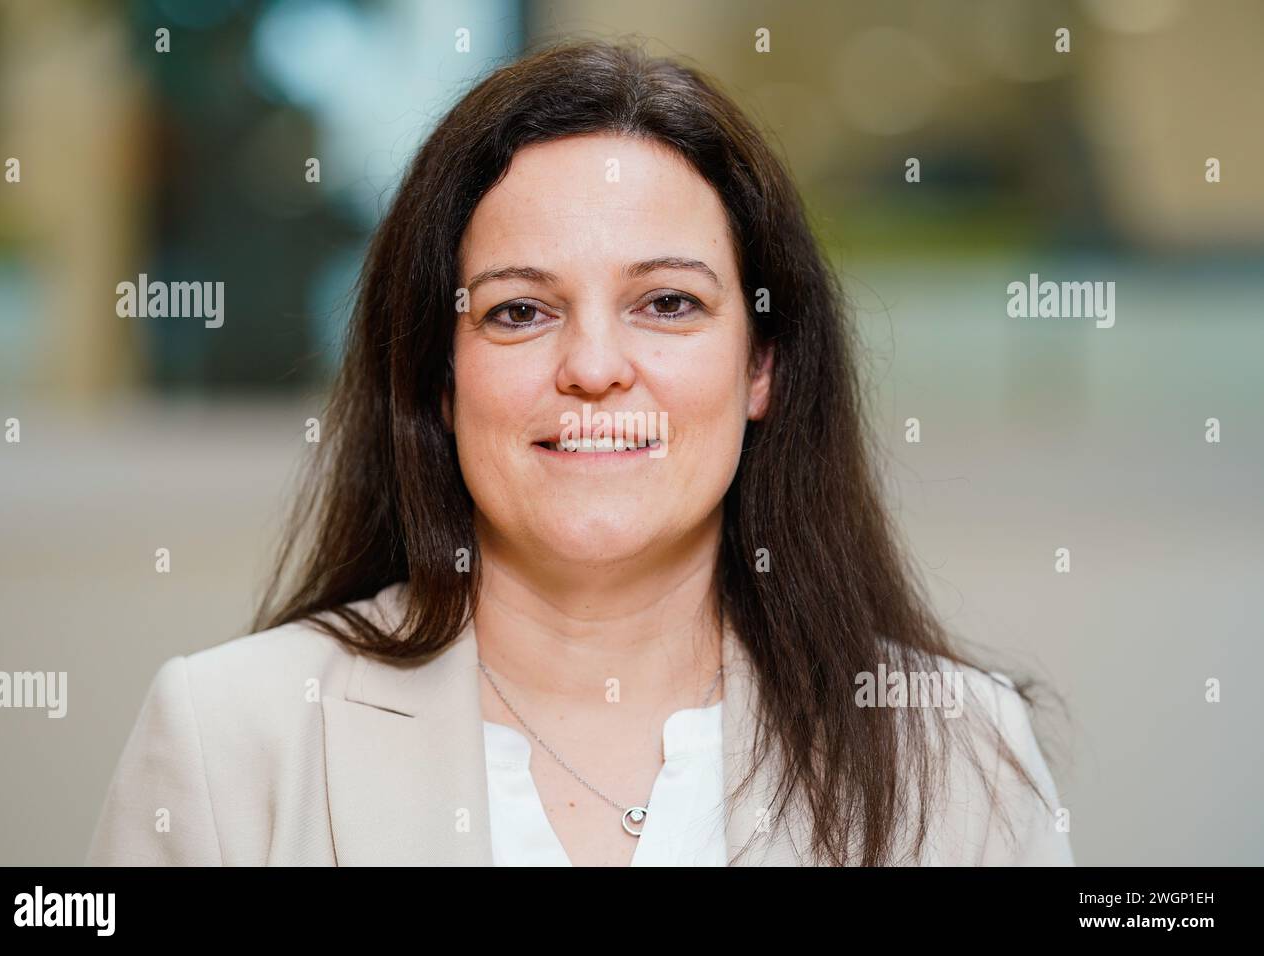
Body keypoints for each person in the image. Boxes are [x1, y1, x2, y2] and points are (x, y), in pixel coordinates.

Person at [86, 40, 1074, 867]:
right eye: (520, 310)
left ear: (762, 362)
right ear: (439, 372)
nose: (595, 366)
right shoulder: (226, 738)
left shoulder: (962, 754)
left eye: (668, 303)